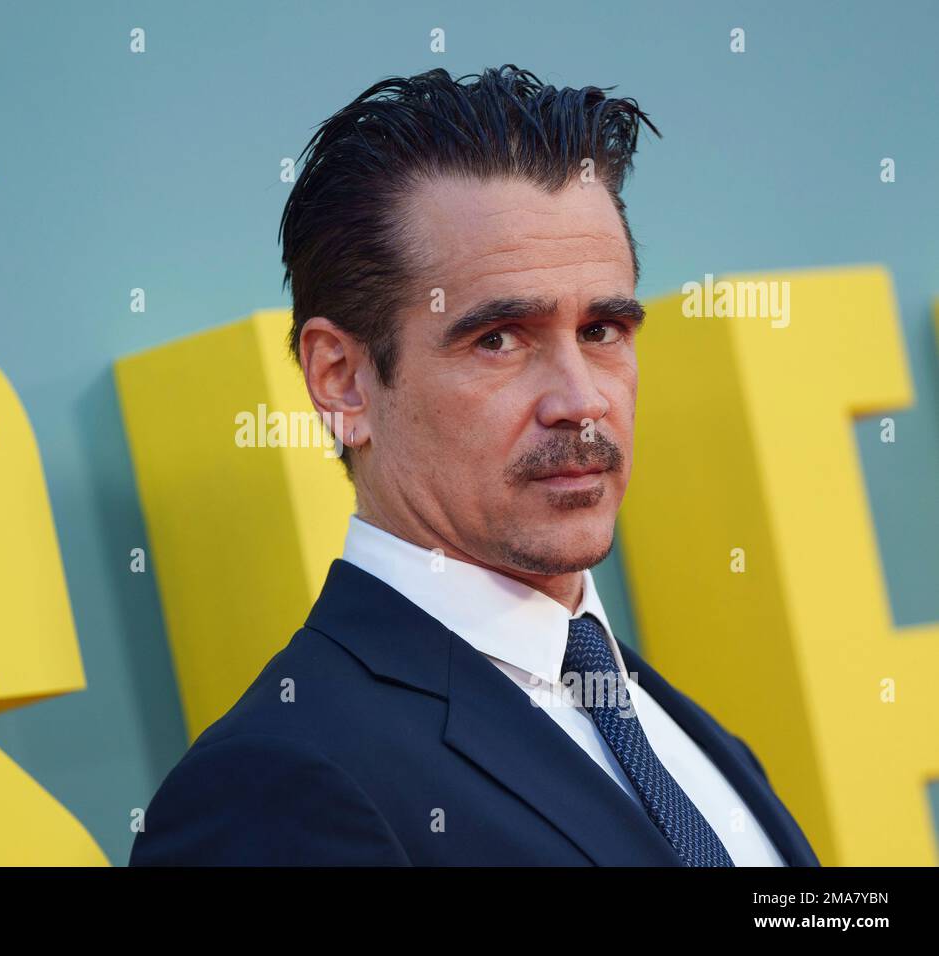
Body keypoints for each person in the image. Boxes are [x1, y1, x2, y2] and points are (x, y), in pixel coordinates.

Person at [129, 64, 820, 866]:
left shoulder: (697, 745)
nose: (581, 401)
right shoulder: (272, 790)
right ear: (342, 380)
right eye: (499, 339)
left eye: (601, 330)